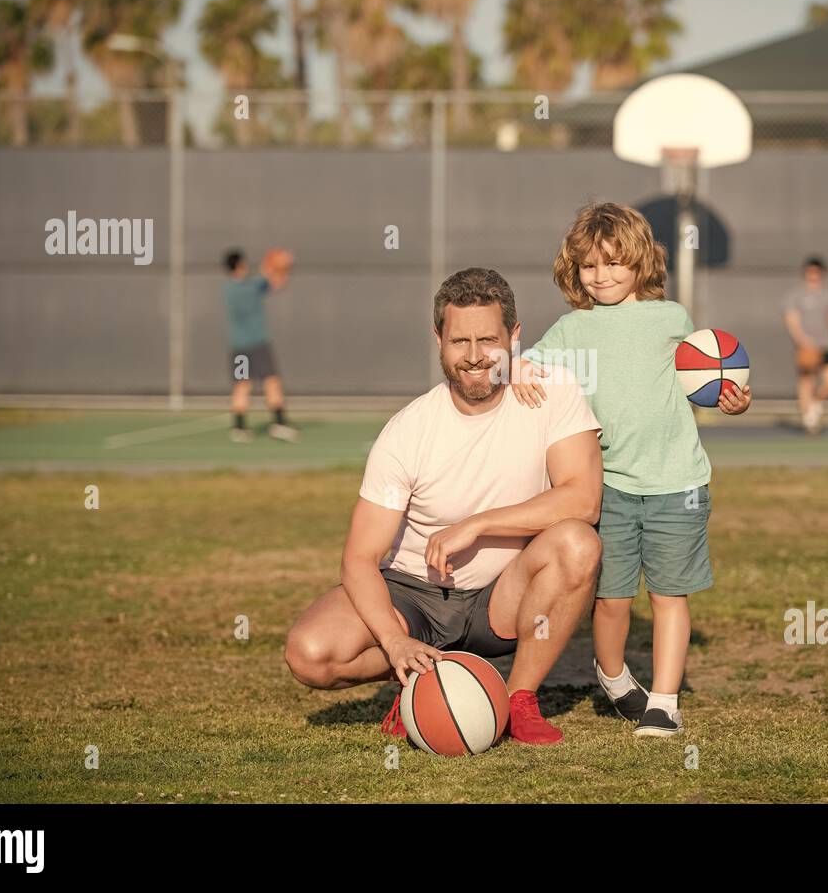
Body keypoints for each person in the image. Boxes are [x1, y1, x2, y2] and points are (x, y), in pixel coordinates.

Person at [284, 267, 604, 746]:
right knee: (310, 653)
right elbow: (360, 557)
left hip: (501, 598)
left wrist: (476, 525)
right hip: (411, 595)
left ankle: (518, 701)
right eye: (459, 342)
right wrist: (394, 641)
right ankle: (418, 679)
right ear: (438, 338)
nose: (475, 357)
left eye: (488, 340)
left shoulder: (550, 392)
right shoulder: (407, 432)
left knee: (578, 543)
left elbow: (583, 498)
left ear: (514, 337)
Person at [512, 202, 751, 737]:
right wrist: (518, 365)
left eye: (614, 263)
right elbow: (529, 360)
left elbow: (704, 381)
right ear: (574, 272)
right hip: (611, 488)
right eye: (589, 267)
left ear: (641, 262)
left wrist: (731, 400)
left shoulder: (673, 319)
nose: (601, 276)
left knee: (669, 596)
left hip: (677, 485)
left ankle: (664, 700)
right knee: (612, 600)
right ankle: (614, 675)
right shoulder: (574, 329)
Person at [223, 248, 297, 442]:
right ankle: (279, 424)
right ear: (240, 265)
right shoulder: (251, 286)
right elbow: (277, 282)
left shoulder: (229, 289)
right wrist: (280, 265)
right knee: (272, 382)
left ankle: (238, 428)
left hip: (238, 346)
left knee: (242, 385)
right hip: (257, 344)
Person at [781, 255, 828, 434]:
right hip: (805, 347)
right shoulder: (795, 296)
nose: (813, 276)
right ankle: (808, 420)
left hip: (826, 347)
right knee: (806, 381)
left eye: (817, 272)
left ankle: (815, 404)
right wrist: (803, 341)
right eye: (810, 272)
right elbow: (792, 322)